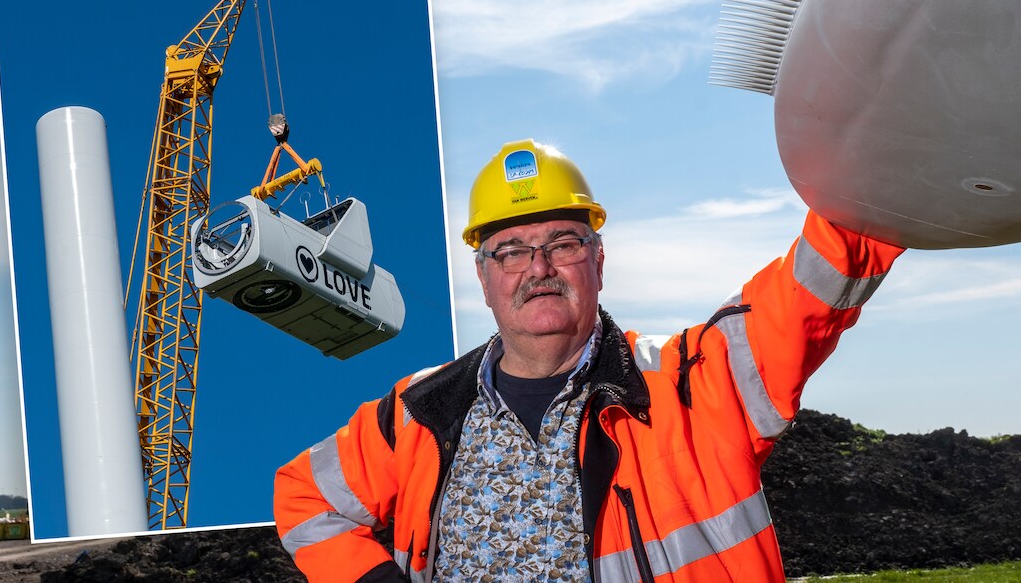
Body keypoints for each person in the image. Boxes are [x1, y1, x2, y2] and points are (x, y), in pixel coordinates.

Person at [274, 139, 905, 582]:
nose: (538, 268)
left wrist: (901, 155)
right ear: (484, 278)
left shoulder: (690, 385)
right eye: (511, 251)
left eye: (563, 243)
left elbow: (820, 279)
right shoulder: (418, 410)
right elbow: (304, 496)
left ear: (598, 261)